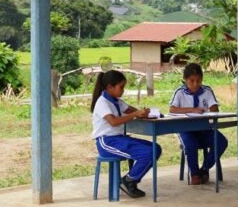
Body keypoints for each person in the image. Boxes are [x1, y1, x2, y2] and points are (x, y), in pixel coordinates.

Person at [91, 70, 161, 199]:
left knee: (155, 148)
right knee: (147, 153)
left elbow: (131, 110)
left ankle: (130, 179)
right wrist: (135, 114)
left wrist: (144, 113)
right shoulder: (102, 102)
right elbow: (114, 122)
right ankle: (129, 181)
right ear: (109, 87)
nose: (123, 90)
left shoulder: (117, 100)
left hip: (119, 139)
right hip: (106, 142)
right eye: (121, 87)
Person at [169, 63, 228, 185]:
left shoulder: (207, 91)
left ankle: (204, 169)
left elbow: (214, 108)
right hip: (186, 129)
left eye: (198, 80)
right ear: (185, 79)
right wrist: (192, 109)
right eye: (192, 81)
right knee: (191, 144)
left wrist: (212, 109)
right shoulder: (180, 92)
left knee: (221, 141)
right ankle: (194, 174)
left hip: (204, 129)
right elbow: (172, 109)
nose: (195, 84)